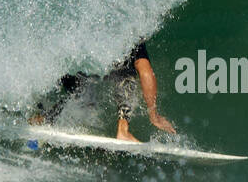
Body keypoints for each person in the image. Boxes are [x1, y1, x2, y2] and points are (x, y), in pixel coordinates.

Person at [31, 40, 176, 142]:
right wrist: (153, 114)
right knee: (126, 72)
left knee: (80, 85)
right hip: (105, 61)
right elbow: (145, 70)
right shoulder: (129, 30)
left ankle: (43, 118)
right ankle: (123, 130)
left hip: (73, 55)